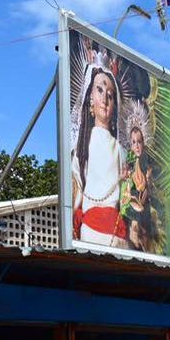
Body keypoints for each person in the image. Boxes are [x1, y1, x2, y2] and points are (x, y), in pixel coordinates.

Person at [71, 61, 129, 248]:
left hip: (116, 234)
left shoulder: (121, 150)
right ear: (90, 99)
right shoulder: (82, 146)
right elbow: (76, 190)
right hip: (91, 231)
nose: (105, 99)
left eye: (110, 95)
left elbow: (125, 197)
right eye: (100, 90)